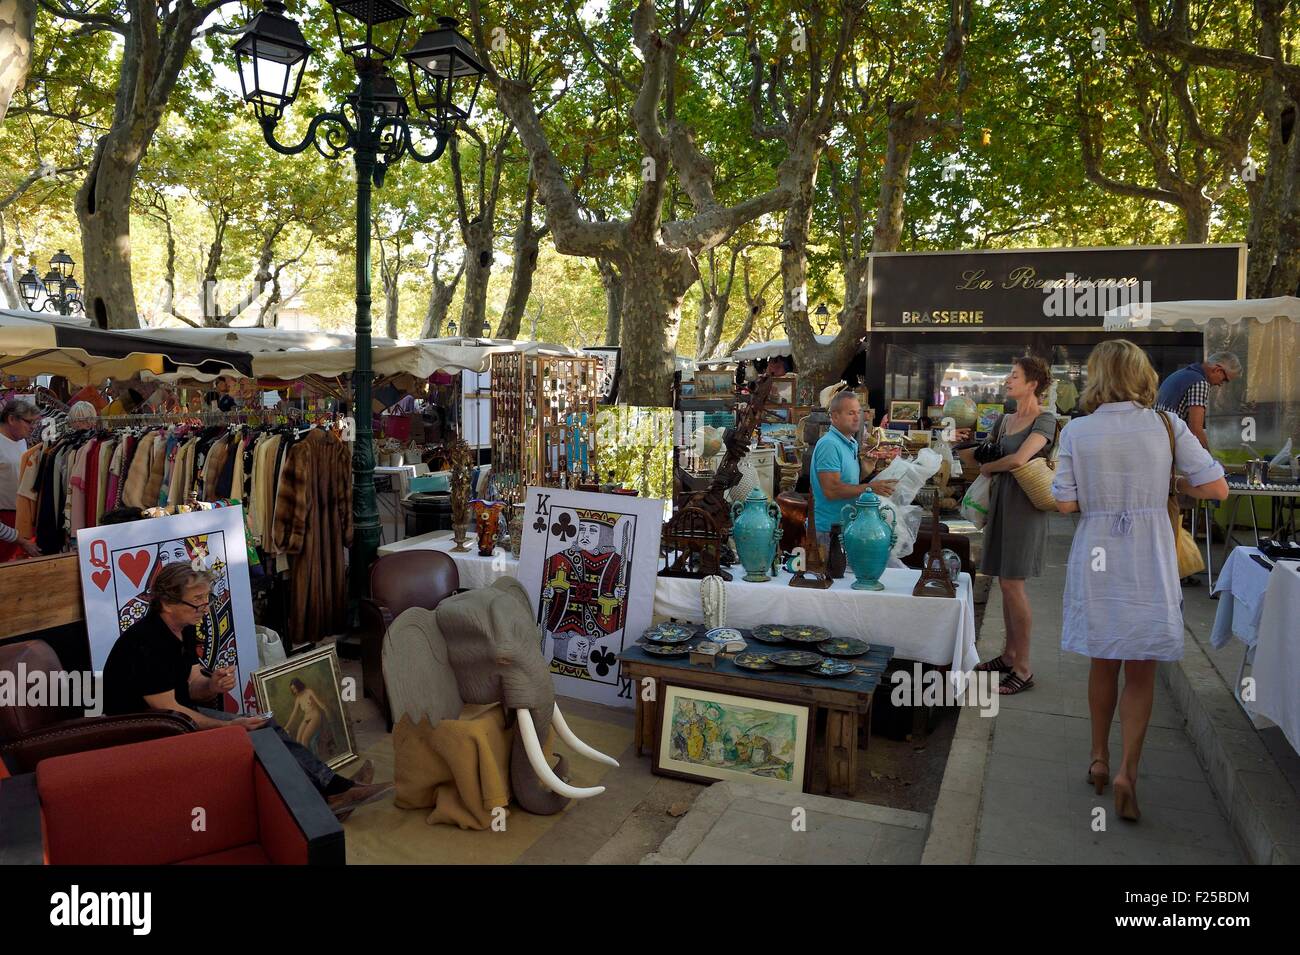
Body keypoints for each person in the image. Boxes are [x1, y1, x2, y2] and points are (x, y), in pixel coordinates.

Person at [1052, 340, 1227, 822]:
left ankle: (1098, 758)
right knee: (1142, 668)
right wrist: (1170, 484)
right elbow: (1216, 487)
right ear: (1143, 375)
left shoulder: (1077, 431)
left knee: (1103, 659)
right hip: (1149, 554)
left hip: (1098, 553)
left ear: (1096, 377)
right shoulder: (1167, 426)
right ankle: (1130, 768)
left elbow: (1064, 502)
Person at [102, 562, 390, 817]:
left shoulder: (184, 627)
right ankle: (332, 793)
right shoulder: (147, 643)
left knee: (262, 725)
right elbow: (170, 712)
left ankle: (333, 790)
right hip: (143, 728)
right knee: (254, 732)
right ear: (167, 603)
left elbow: (193, 687)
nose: (205, 607)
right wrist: (229, 726)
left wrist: (212, 684)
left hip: (171, 716)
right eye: (197, 601)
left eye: (207, 599)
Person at [972, 356, 1059, 695]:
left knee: (1012, 585)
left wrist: (991, 467)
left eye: (1015, 375)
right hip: (1001, 504)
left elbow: (1022, 459)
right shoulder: (1004, 420)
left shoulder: (1045, 419)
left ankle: (1023, 667)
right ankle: (1009, 656)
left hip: (1025, 507)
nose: (1008, 380)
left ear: (1033, 383)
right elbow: (985, 455)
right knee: (1002, 583)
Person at [809, 392, 897, 554]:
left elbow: (847, 484)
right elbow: (831, 490)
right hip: (829, 531)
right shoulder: (829, 444)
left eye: (858, 412)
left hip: (847, 528)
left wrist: (864, 470)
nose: (857, 418)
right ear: (834, 416)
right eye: (851, 413)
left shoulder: (851, 443)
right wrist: (869, 487)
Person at [1155, 351, 1240, 450]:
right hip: (1170, 446)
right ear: (1218, 370)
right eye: (1225, 380)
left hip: (1158, 441)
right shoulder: (1200, 382)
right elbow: (1195, 430)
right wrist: (1209, 459)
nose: (1221, 384)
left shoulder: (1180, 373)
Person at [0, 399, 41, 560]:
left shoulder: (22, 441)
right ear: (11, 419)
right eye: (29, 422)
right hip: (5, 523)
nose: (33, 427)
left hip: (20, 519)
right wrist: (17, 538)